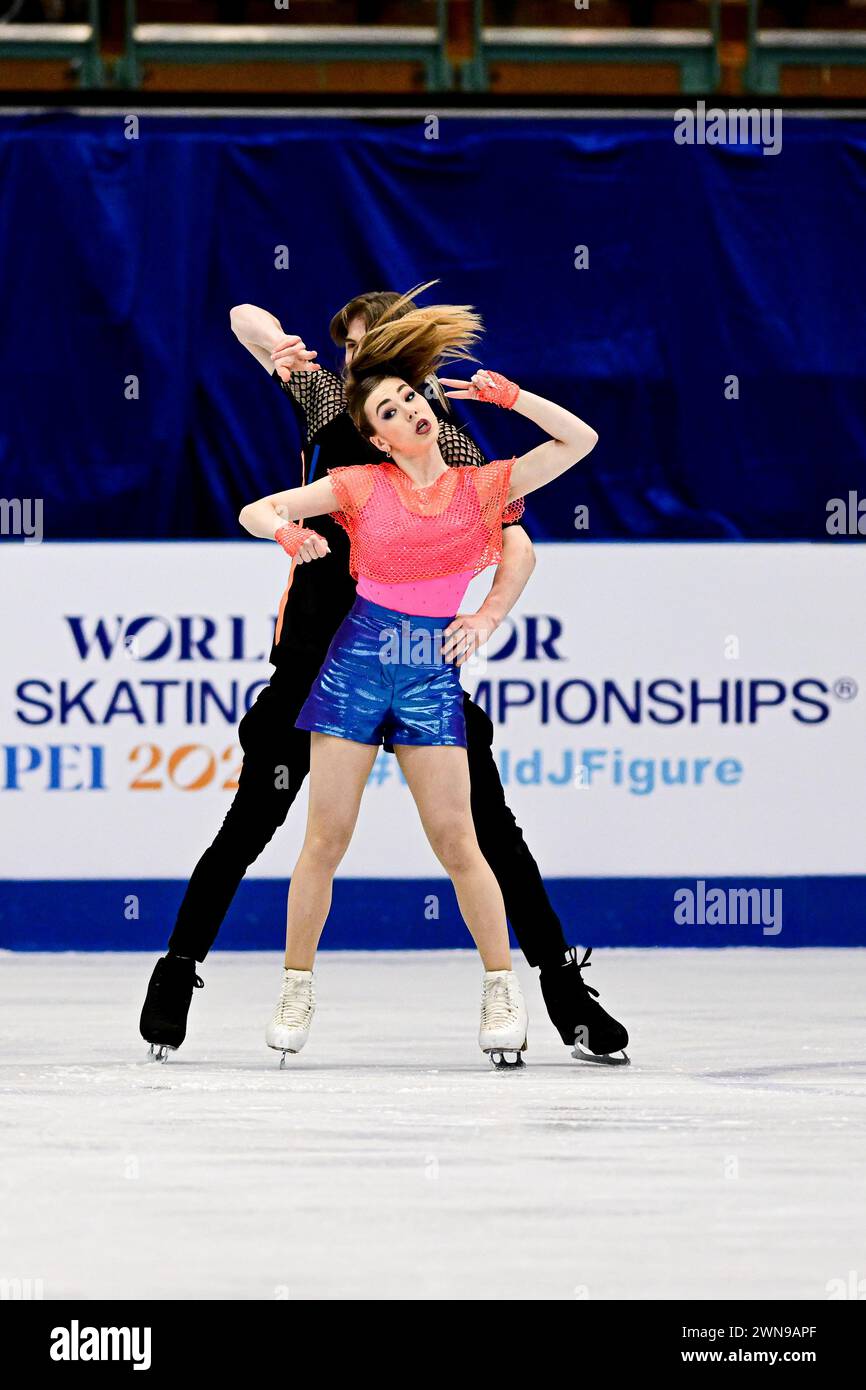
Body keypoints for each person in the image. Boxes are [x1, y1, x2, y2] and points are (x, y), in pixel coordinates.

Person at [139, 287, 630, 1065]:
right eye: (351, 350)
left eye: (374, 349)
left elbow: (521, 544)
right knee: (256, 827)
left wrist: (489, 615)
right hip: (313, 668)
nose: (358, 361)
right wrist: (281, 342)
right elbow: (241, 317)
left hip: (417, 665)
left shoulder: (452, 452)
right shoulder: (331, 405)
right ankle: (178, 969)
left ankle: (561, 990)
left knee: (488, 832)